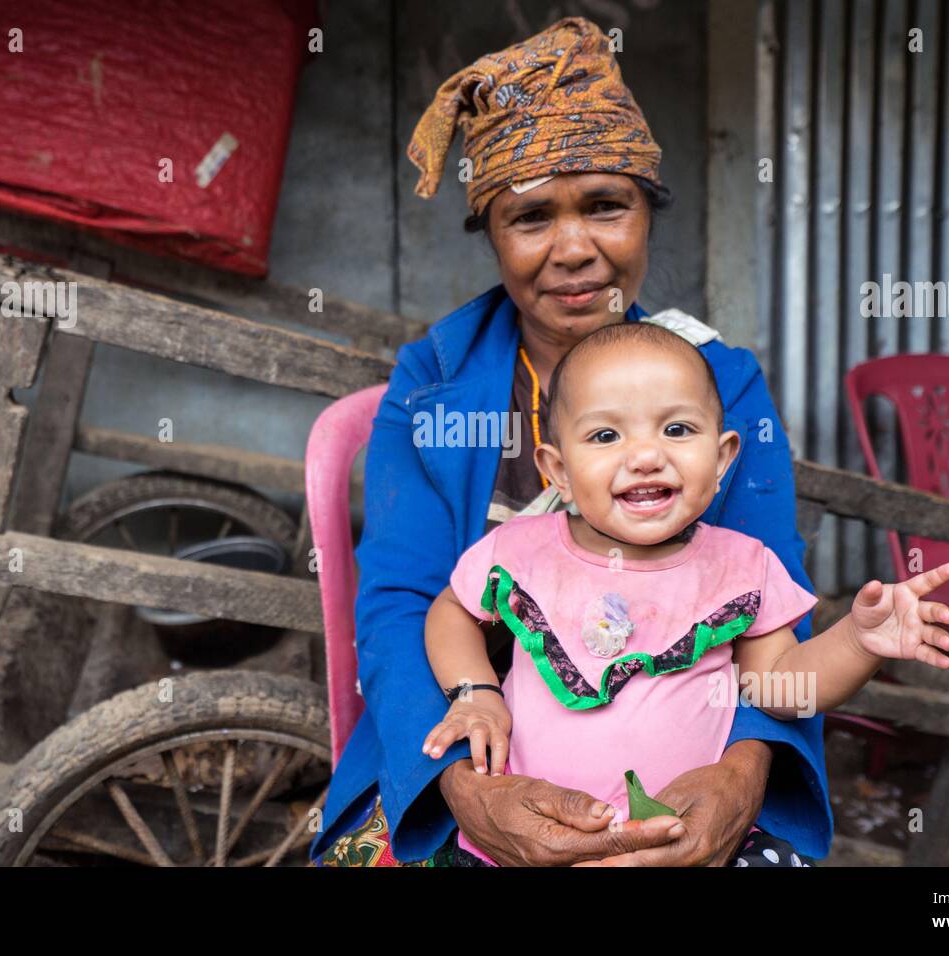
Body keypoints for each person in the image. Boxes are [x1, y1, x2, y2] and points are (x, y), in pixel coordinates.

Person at [312, 16, 833, 867]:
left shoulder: (720, 384)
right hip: (463, 743)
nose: (575, 251)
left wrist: (739, 777)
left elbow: (771, 614)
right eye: (530, 219)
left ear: (645, 213)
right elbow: (402, 603)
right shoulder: (434, 384)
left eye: (605, 206)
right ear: (491, 232)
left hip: (688, 762)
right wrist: (472, 791)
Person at [420, 322, 949, 867]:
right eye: (606, 436)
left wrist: (860, 641)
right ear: (557, 470)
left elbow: (781, 688)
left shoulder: (742, 568)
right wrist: (475, 692)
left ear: (723, 457)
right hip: (528, 842)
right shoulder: (518, 552)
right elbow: (452, 612)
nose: (647, 456)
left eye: (677, 429)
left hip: (687, 847)